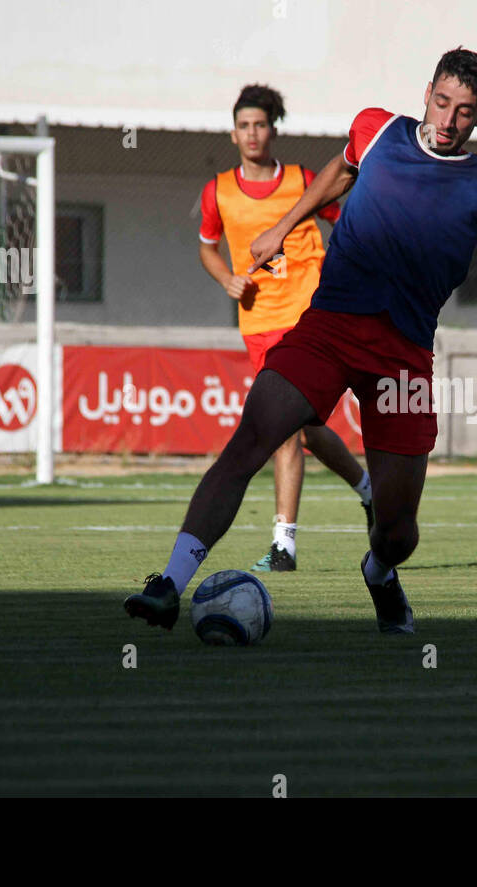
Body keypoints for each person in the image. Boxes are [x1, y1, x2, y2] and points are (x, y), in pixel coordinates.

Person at [126, 48, 477, 634]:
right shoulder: (376, 130)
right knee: (249, 443)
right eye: (442, 102)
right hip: (328, 329)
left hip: (402, 359)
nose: (448, 120)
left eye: (465, 111)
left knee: (398, 531)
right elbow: (341, 169)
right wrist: (284, 225)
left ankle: (379, 571)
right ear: (427, 93)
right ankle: (168, 584)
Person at [197, 83, 372, 572]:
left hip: (306, 318)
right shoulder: (218, 190)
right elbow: (207, 247)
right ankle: (369, 491)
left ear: (273, 130)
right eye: (244, 126)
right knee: (308, 430)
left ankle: (284, 546)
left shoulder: (302, 181)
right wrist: (226, 278)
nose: (252, 133)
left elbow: (346, 222)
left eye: (260, 124)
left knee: (283, 427)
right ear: (233, 134)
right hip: (258, 322)